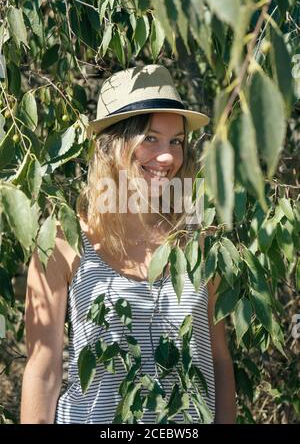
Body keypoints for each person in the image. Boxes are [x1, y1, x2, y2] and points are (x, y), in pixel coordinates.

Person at [20, 64, 236, 424]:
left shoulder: (200, 239)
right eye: (150, 138)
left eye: (176, 141)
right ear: (112, 145)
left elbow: (218, 358)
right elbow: (43, 372)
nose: (167, 157)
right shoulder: (63, 240)